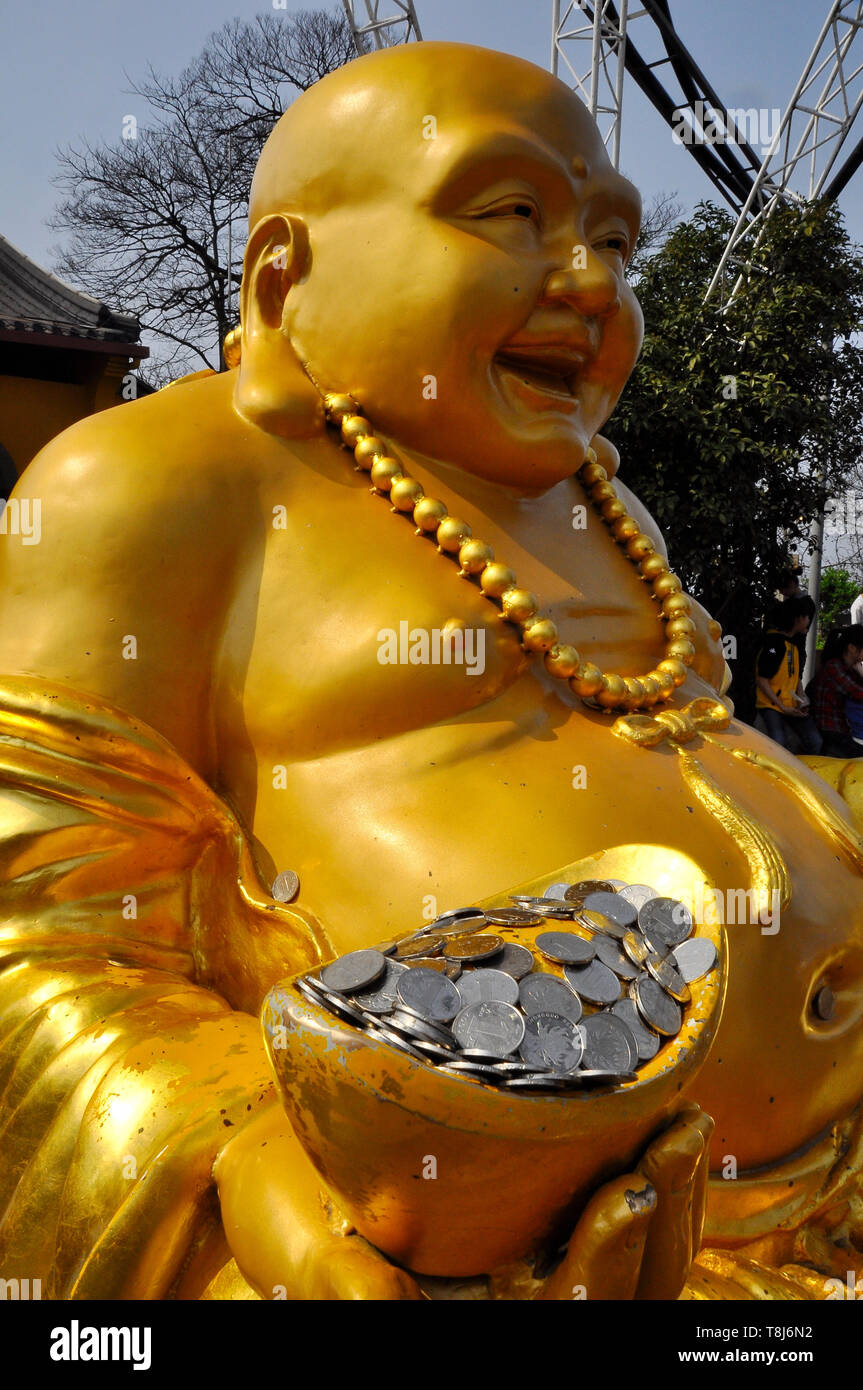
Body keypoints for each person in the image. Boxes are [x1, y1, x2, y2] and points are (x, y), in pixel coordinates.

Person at [1, 42, 863, 1302]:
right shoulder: (153, 488)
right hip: (494, 1238)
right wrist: (246, 1150)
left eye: (614, 244)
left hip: (810, 1195)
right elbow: (42, 946)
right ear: (282, 277)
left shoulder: (605, 509)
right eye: (513, 215)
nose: (590, 284)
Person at [755, 597, 822, 753]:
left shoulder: (793, 644)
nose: (808, 621)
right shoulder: (774, 644)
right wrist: (782, 706)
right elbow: (762, 680)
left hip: (790, 706)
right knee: (779, 742)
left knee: (815, 740)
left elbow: (795, 676)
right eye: (807, 617)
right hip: (771, 706)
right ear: (798, 618)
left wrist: (801, 698)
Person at [812, 624, 863, 758]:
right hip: (832, 729)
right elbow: (857, 693)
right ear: (852, 648)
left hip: (844, 728)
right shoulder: (834, 667)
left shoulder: (849, 668)